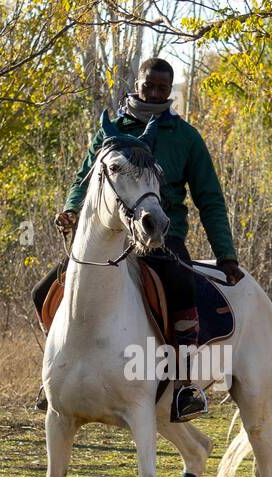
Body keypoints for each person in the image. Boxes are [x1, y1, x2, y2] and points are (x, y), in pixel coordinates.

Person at [33, 56, 242, 421]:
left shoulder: (186, 137)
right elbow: (84, 179)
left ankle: (183, 387)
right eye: (150, 86)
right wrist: (71, 208)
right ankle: (57, 374)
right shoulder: (111, 131)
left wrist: (226, 255)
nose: (157, 93)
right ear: (138, 83)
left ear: (170, 90)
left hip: (163, 236)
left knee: (180, 287)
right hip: (108, 239)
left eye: (164, 88)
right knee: (43, 291)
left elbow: (209, 198)